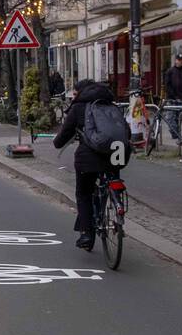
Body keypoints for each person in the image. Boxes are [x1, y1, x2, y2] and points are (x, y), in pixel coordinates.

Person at [52, 78, 127, 251]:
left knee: (84, 193)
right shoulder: (111, 107)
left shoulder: (78, 108)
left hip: (88, 159)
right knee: (113, 181)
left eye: (75, 94)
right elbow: (125, 131)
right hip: (116, 155)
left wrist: (58, 141)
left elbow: (61, 139)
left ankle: (86, 233)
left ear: (82, 93)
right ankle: (117, 204)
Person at [162, 52, 182, 139]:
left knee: (180, 118)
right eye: (179, 60)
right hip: (172, 99)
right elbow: (167, 85)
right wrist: (172, 95)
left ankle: (179, 135)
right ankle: (176, 134)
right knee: (170, 118)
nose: (180, 62)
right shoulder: (170, 71)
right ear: (175, 61)